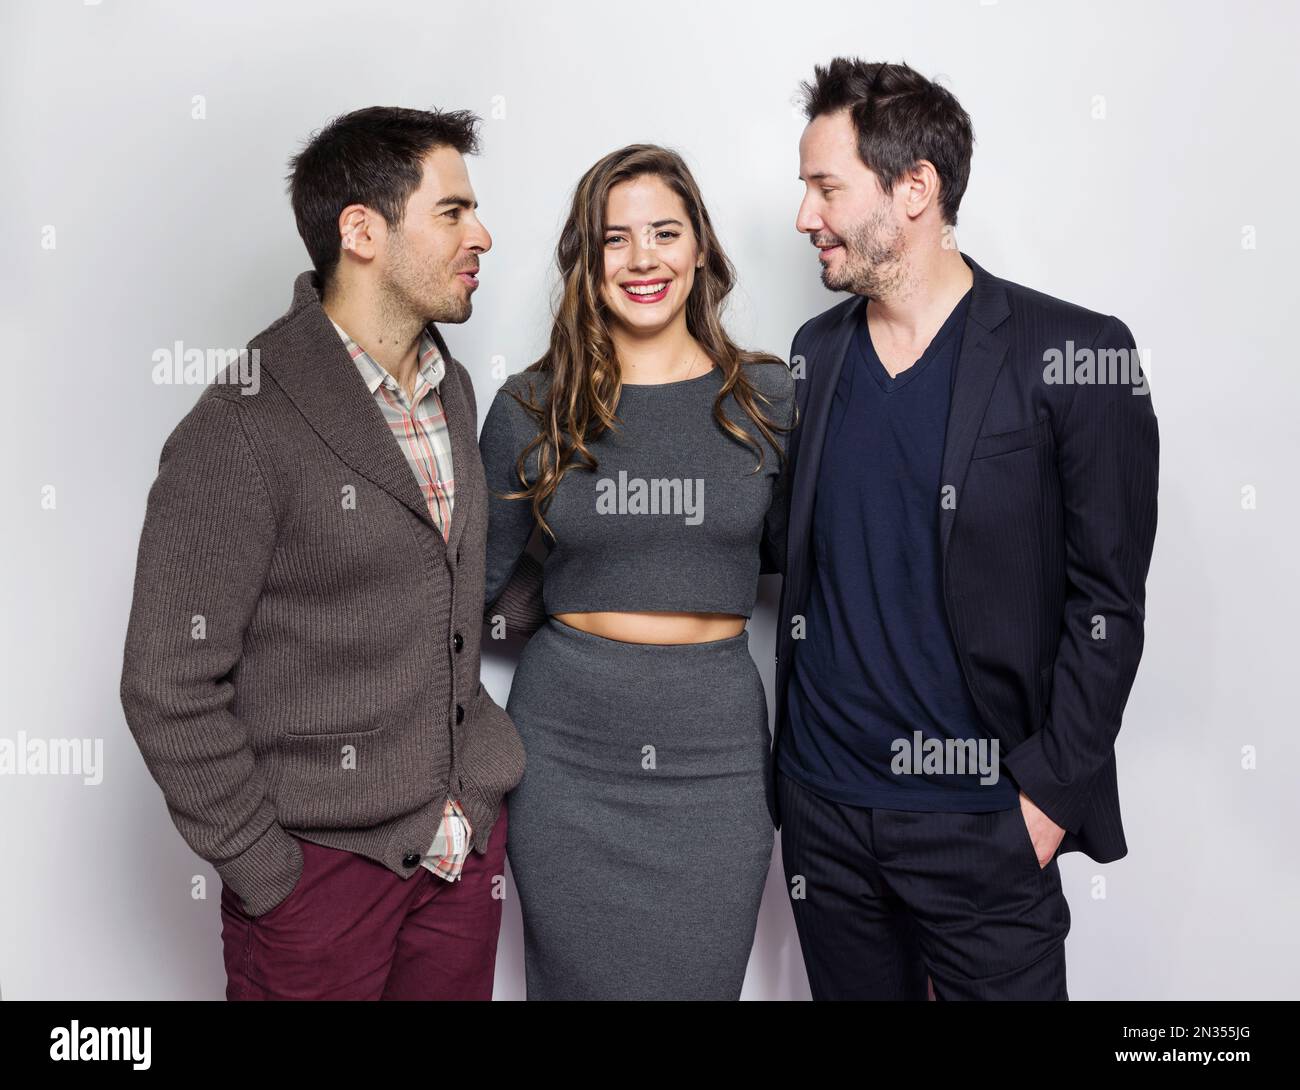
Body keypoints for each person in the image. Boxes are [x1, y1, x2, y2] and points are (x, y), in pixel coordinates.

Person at [119, 106, 526, 1000]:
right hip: (321, 882)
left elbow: (439, 586)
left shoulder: (448, 385)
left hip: (460, 858)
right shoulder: (243, 423)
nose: (482, 234)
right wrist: (268, 874)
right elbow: (165, 680)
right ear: (362, 231)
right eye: (453, 211)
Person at [773, 59, 1159, 1000]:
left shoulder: (1077, 355)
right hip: (826, 815)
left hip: (984, 820)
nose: (805, 217)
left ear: (915, 189)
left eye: (827, 187)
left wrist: (1042, 801)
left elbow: (1108, 602)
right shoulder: (814, 354)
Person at [479, 144, 796, 1000]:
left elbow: (800, 563)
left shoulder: (770, 400)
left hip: (716, 764)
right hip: (566, 756)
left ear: (701, 249)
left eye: (665, 231)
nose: (643, 258)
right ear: (588, 259)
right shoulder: (530, 405)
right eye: (615, 239)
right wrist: (577, 604)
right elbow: (467, 594)